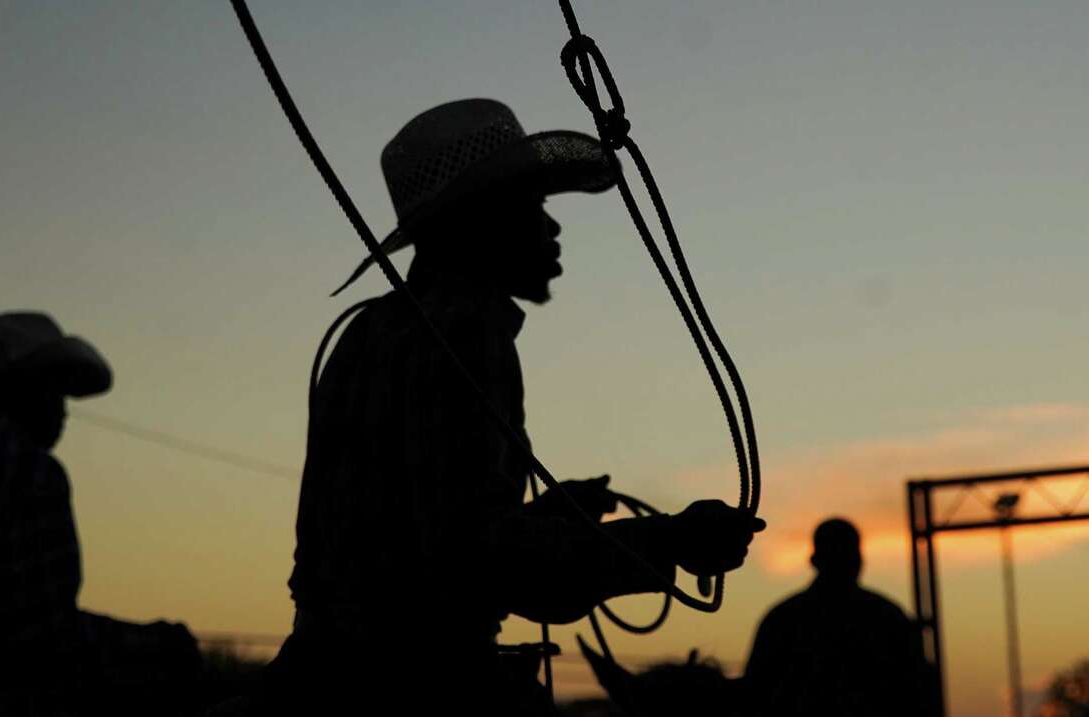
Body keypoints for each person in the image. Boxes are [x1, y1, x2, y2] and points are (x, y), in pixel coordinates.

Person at [255, 99, 764, 715]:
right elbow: (479, 562)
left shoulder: (370, 330)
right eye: (534, 206)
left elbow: (422, 531)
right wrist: (670, 540)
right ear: (481, 222)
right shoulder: (466, 335)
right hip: (415, 690)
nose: (552, 228)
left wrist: (552, 516)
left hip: (319, 674)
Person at [0, 312, 201, 716]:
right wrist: (160, 647)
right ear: (24, 389)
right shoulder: (27, 472)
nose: (65, 409)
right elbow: (43, 638)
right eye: (55, 389)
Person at [743, 517, 929, 717]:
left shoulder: (782, 619)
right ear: (859, 560)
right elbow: (917, 693)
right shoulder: (888, 616)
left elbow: (755, 695)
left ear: (813, 560)